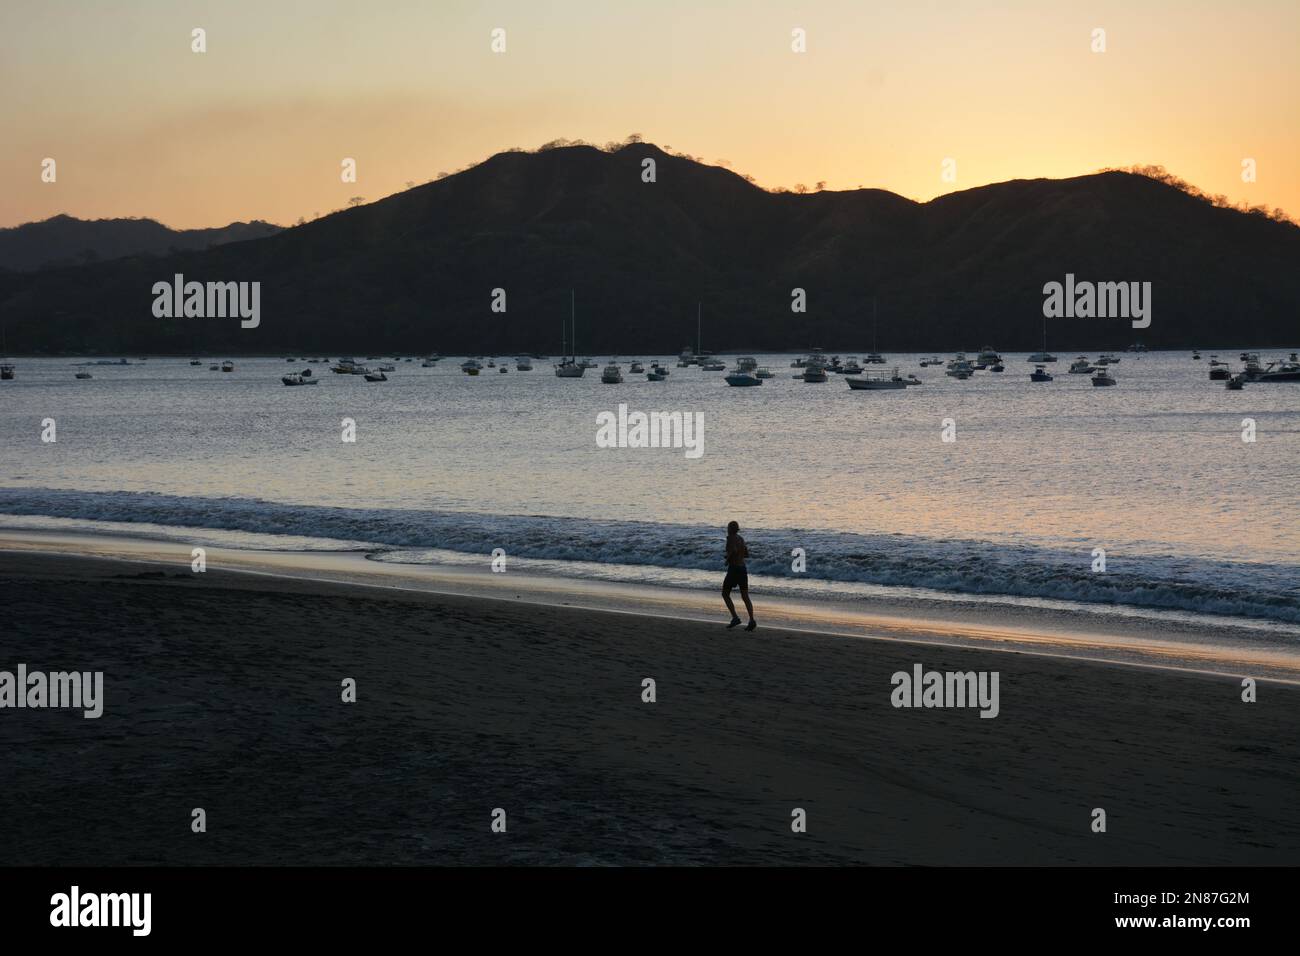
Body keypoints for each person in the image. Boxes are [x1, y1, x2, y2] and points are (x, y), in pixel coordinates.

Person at [722, 520, 756, 631]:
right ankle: (751, 620)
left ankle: (735, 617)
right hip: (742, 569)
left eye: (728, 528)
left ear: (730, 529)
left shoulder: (730, 538)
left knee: (725, 594)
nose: (727, 529)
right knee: (745, 596)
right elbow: (746, 554)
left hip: (734, 569)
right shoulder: (741, 539)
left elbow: (733, 550)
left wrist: (727, 560)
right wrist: (736, 555)